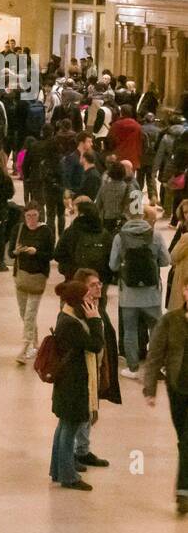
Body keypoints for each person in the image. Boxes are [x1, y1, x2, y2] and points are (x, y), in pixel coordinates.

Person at [49, 279, 106, 491]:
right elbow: (95, 345)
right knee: (69, 428)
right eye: (86, 298)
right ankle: (68, 476)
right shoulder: (72, 324)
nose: (90, 300)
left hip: (66, 381)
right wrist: (96, 320)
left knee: (64, 426)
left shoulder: (66, 316)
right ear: (77, 301)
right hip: (74, 383)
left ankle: (59, 470)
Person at [140, 283, 188, 516]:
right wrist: (150, 388)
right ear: (184, 291)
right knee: (183, 439)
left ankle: (183, 492)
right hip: (178, 387)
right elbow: (155, 354)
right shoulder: (170, 320)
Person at [110, 204, 169, 377]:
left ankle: (132, 368)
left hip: (128, 294)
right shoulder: (156, 235)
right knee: (156, 330)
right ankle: (157, 367)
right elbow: (166, 261)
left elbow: (112, 265)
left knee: (130, 331)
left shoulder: (120, 238)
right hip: (152, 294)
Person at [13, 202, 54, 363]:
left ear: (39, 215)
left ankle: (25, 347)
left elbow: (51, 254)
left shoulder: (46, 232)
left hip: (38, 276)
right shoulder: (19, 229)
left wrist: (36, 252)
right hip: (21, 276)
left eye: (34, 215)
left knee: (30, 314)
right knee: (24, 313)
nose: (31, 219)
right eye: (28, 215)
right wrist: (16, 251)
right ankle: (34, 343)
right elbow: (10, 250)